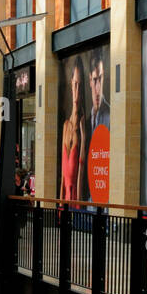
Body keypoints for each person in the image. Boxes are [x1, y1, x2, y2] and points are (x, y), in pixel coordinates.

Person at [61, 54, 90, 202]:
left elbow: (82, 170)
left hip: (75, 198)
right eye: (75, 84)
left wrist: (84, 138)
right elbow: (62, 176)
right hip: (64, 200)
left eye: (80, 85)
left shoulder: (84, 123)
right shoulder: (66, 125)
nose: (77, 91)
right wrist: (59, 202)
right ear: (71, 84)